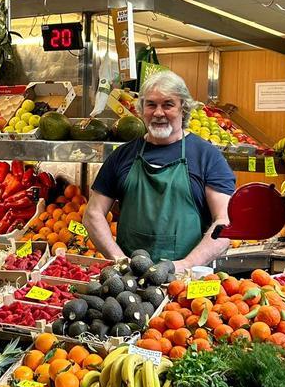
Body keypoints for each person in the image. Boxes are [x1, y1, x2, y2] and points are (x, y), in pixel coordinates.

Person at [84, 71, 236, 272]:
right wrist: (120, 260)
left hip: (184, 281)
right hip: (129, 280)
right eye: (151, 104)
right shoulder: (123, 155)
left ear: (183, 108)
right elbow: (93, 214)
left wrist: (185, 265)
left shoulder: (207, 157)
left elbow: (224, 223)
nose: (158, 113)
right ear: (141, 109)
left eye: (168, 104)